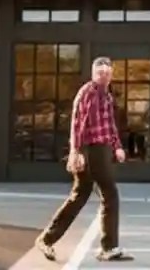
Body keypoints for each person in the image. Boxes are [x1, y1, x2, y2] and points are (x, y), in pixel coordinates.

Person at [35, 56, 130, 262]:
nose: (103, 76)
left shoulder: (107, 97)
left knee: (79, 196)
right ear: (93, 73)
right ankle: (108, 247)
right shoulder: (88, 93)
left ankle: (47, 239)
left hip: (102, 149)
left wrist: (117, 147)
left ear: (111, 74)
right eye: (100, 73)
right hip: (90, 150)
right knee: (110, 194)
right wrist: (76, 151)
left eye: (107, 73)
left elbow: (110, 125)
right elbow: (77, 124)